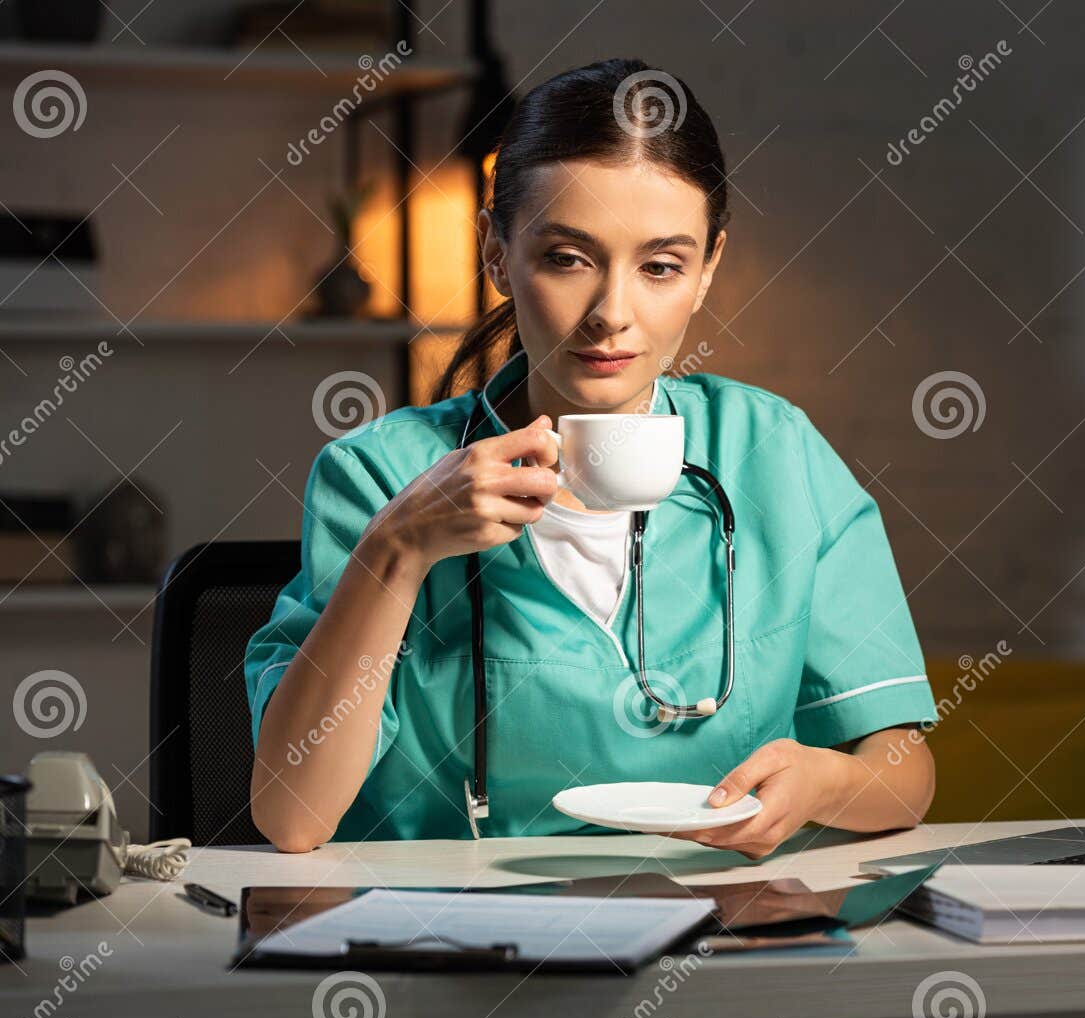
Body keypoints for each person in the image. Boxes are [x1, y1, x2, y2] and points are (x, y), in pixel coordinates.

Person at [245, 58, 937, 857]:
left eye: (661, 267)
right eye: (568, 259)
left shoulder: (776, 453)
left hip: (714, 932)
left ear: (708, 269)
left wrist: (826, 786)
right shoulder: (377, 474)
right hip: (454, 947)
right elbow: (293, 817)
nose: (612, 314)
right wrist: (398, 549)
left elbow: (904, 773)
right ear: (497, 254)